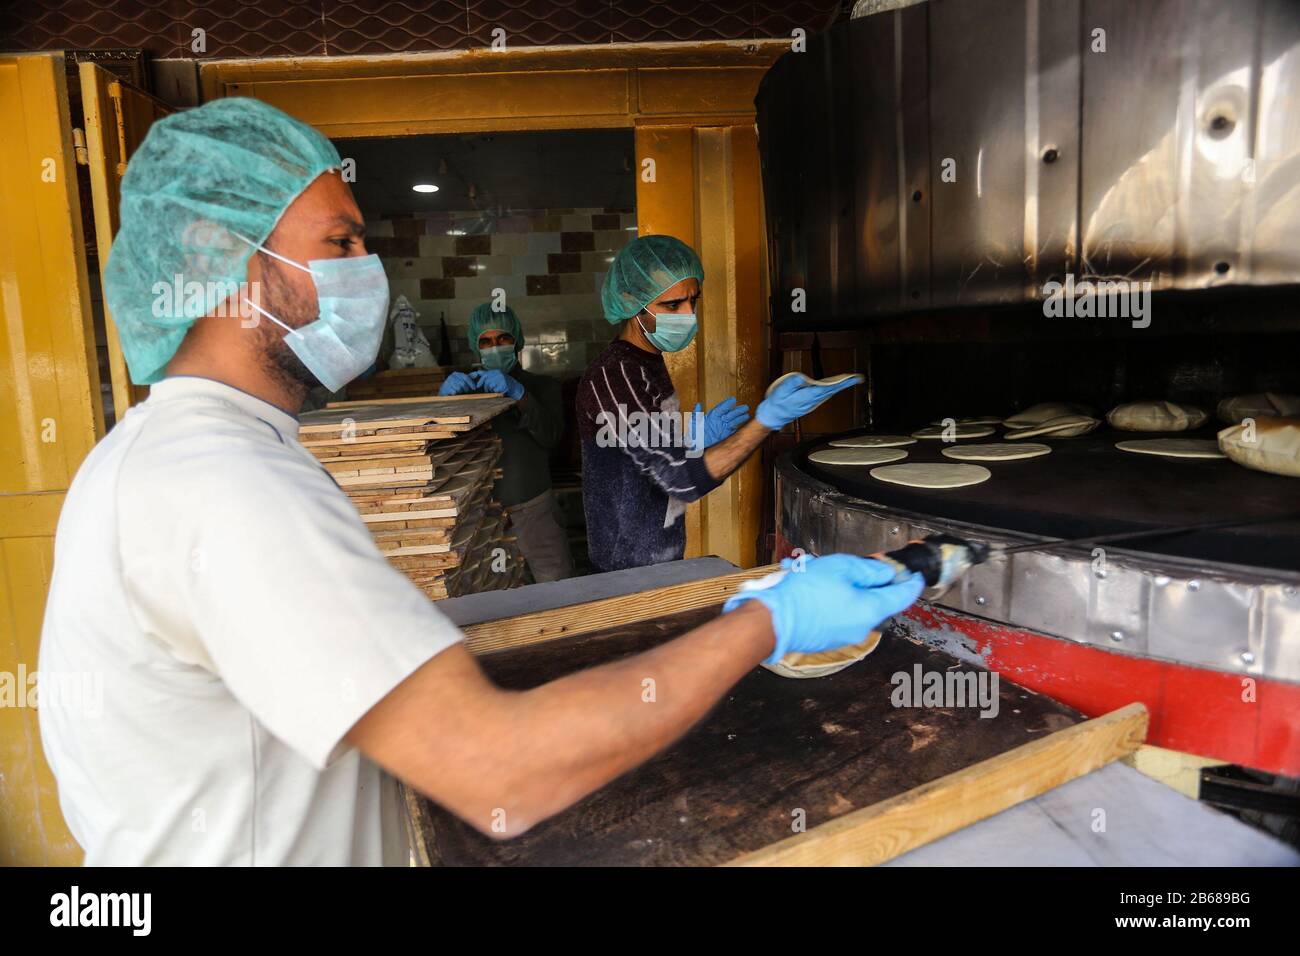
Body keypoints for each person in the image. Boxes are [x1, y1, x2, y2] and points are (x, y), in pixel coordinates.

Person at [37, 97, 922, 865]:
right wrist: (772, 619)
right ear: (230, 265)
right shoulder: (223, 485)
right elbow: (503, 768)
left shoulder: (165, 453)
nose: (365, 273)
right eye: (339, 242)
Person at [577, 235, 857, 572]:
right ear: (629, 300)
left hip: (656, 560)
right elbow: (680, 479)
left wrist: (685, 438)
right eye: (672, 305)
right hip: (622, 573)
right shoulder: (615, 374)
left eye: (693, 301)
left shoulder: (645, 361)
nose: (689, 315)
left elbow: (638, 447)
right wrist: (765, 422)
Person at [439, 303, 571, 582]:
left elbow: (551, 437)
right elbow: (441, 455)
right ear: (476, 348)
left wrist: (520, 395)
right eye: (485, 341)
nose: (494, 347)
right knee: (499, 597)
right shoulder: (468, 392)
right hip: (482, 517)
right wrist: (442, 408)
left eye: (503, 339)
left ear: (518, 340)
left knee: (558, 591)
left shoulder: (543, 387)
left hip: (535, 511)